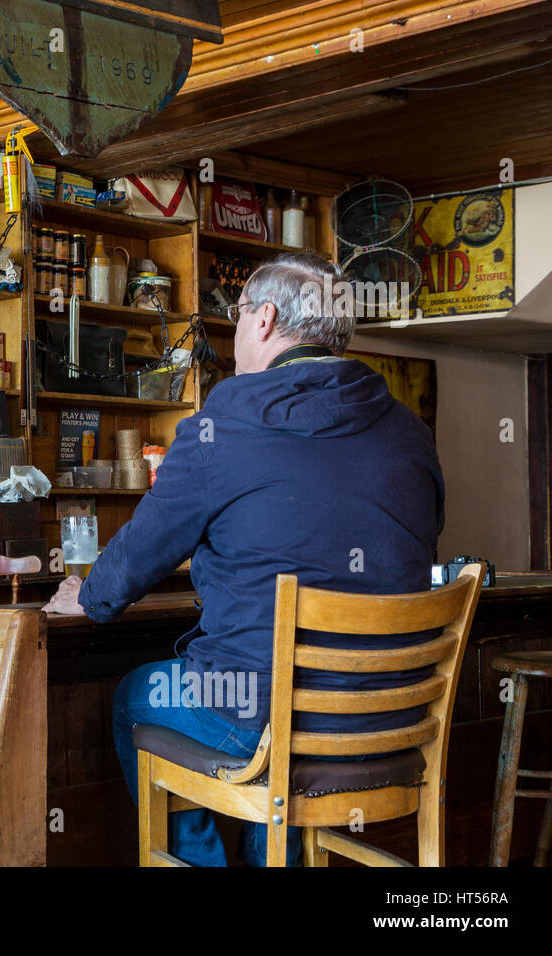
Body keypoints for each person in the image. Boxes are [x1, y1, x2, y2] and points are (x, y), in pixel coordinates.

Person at [44, 252, 444, 866]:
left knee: (137, 695)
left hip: (266, 719)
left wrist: (89, 596)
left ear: (265, 319)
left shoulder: (219, 430)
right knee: (269, 718)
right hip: (392, 720)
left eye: (236, 315)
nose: (234, 335)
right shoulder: (411, 434)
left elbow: (141, 553)